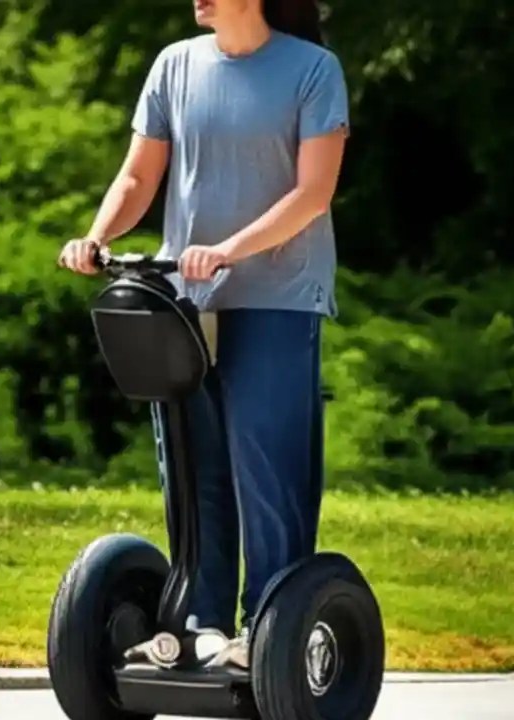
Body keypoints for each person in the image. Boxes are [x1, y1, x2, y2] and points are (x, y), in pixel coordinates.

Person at [57, 0, 349, 668]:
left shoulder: (313, 70)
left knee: (265, 469)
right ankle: (202, 623)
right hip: (187, 299)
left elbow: (313, 194)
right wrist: (97, 237)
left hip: (277, 297)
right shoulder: (175, 66)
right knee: (194, 464)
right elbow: (138, 175)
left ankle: (268, 633)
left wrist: (230, 249)